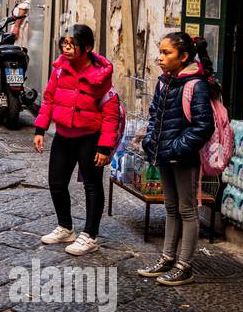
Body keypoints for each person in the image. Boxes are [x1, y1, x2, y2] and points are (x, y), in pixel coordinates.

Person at [137, 31, 217, 286]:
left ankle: (185, 265)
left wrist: (176, 147)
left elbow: (204, 126)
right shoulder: (164, 81)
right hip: (163, 154)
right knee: (171, 207)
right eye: (160, 52)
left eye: (166, 53)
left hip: (183, 158)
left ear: (183, 57)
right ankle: (167, 258)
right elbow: (154, 114)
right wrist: (151, 141)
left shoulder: (196, 85)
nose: (160, 58)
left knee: (187, 210)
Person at [33, 25, 120, 257]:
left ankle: (90, 235)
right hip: (63, 134)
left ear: (87, 47)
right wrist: (40, 128)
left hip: (89, 137)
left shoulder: (101, 75)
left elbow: (111, 113)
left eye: (72, 43)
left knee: (92, 185)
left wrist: (104, 146)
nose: (66, 47)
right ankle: (66, 227)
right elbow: (49, 99)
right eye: (64, 42)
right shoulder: (60, 69)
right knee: (56, 182)